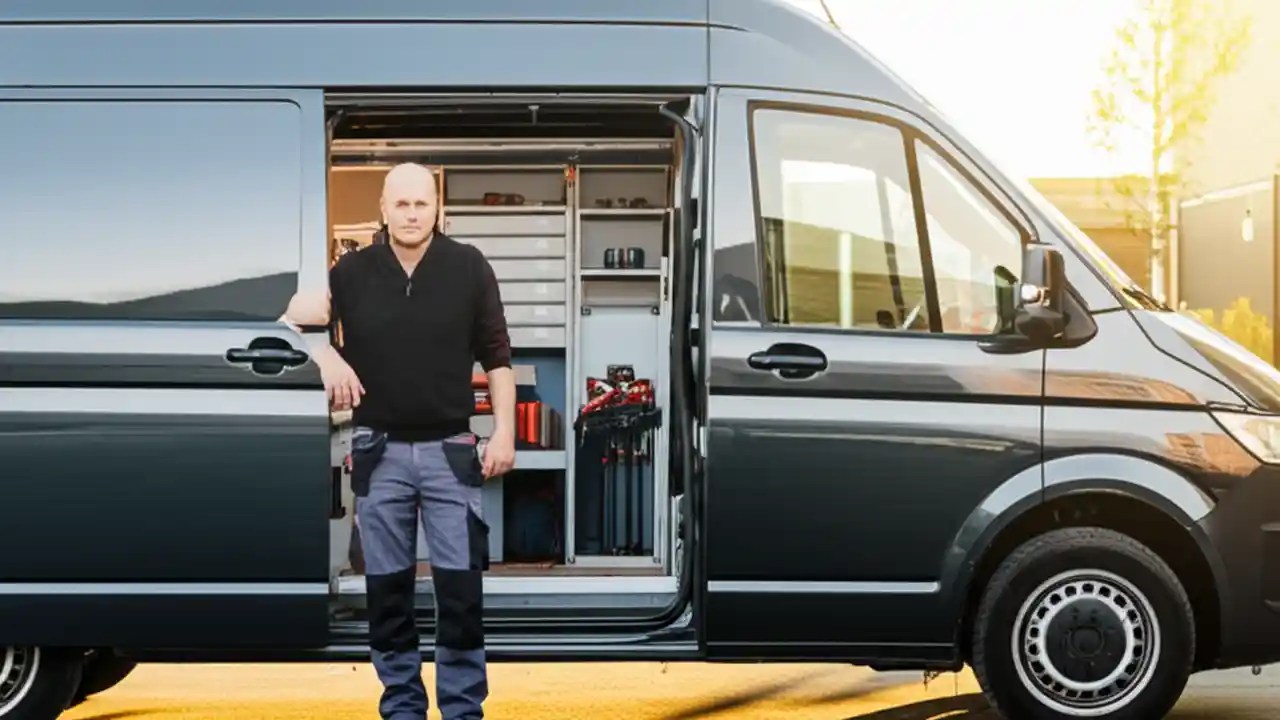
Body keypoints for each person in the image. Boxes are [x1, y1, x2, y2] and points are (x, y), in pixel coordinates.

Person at [285, 162, 515, 720]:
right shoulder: (350, 273)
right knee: (389, 595)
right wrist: (326, 352)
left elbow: (498, 356)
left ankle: (462, 709)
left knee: (460, 594)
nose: (412, 214)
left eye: (422, 204)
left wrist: (504, 430)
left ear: (438, 208)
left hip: (452, 453)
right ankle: (403, 707)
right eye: (401, 204)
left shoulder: (468, 266)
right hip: (378, 451)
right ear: (383, 210)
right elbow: (288, 321)